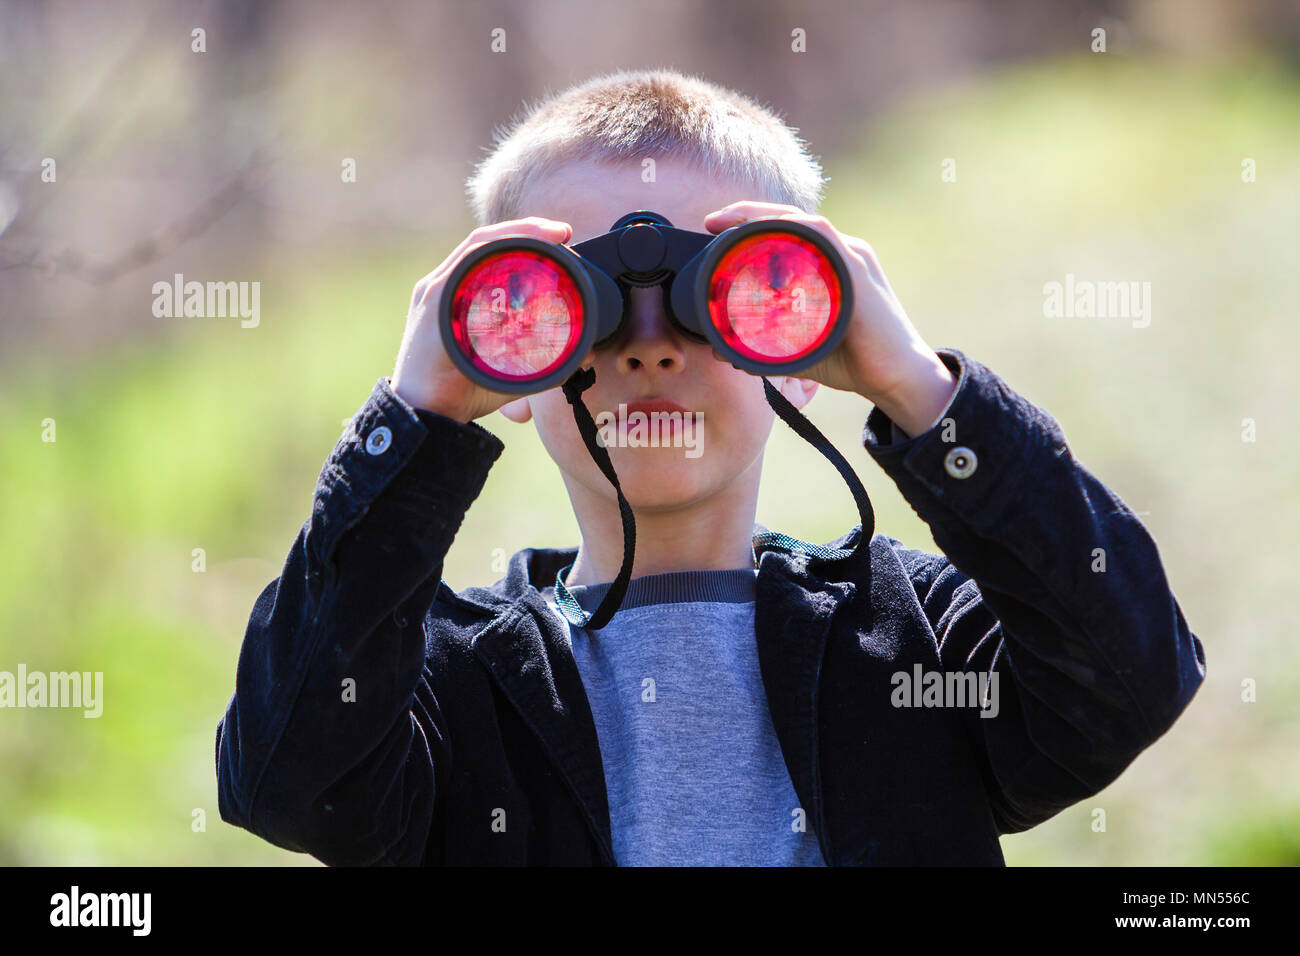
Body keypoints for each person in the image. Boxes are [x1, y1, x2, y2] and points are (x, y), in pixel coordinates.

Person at [215, 68, 1206, 866]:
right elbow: (290, 778)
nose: (649, 347)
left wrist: (917, 384)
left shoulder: (913, 640)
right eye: (569, 308)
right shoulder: (446, 677)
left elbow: (1126, 676)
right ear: (506, 371)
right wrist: (413, 422)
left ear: (812, 356)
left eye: (734, 294)